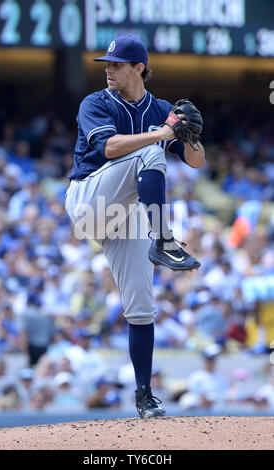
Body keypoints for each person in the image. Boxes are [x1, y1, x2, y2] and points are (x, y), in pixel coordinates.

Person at [65, 35, 205, 418]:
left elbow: (196, 163)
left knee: (142, 307)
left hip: (125, 215)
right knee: (147, 151)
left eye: (115, 64)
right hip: (90, 201)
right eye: (106, 64)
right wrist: (164, 133)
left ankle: (145, 396)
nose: (107, 69)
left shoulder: (159, 107)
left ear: (138, 67)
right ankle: (164, 238)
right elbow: (109, 149)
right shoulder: (95, 102)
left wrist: (189, 134)